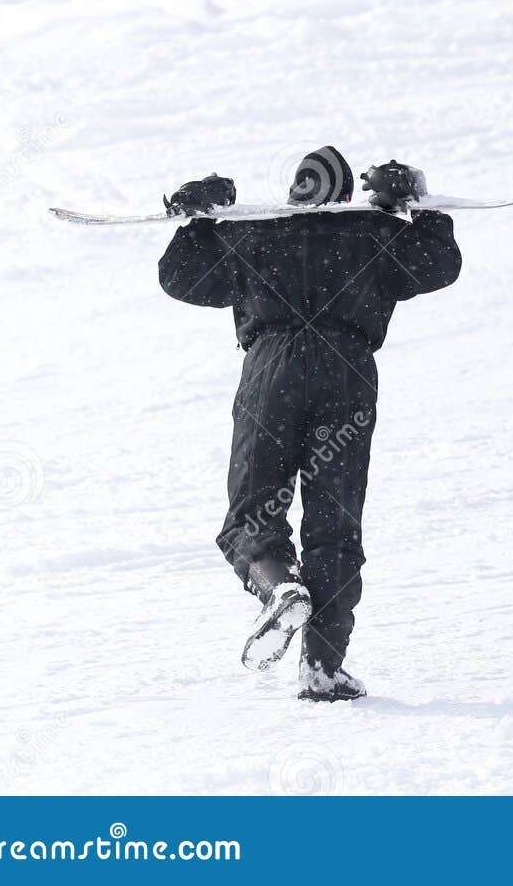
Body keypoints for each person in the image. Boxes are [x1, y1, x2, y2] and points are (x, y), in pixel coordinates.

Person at [157, 148, 461, 701]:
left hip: (271, 372)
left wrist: (199, 219)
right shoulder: (372, 233)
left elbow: (180, 278)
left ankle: (278, 587)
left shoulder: (252, 234)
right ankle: (323, 666)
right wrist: (417, 203)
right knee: (334, 524)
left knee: (252, 509)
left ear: (292, 191)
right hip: (347, 376)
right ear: (346, 194)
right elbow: (439, 263)